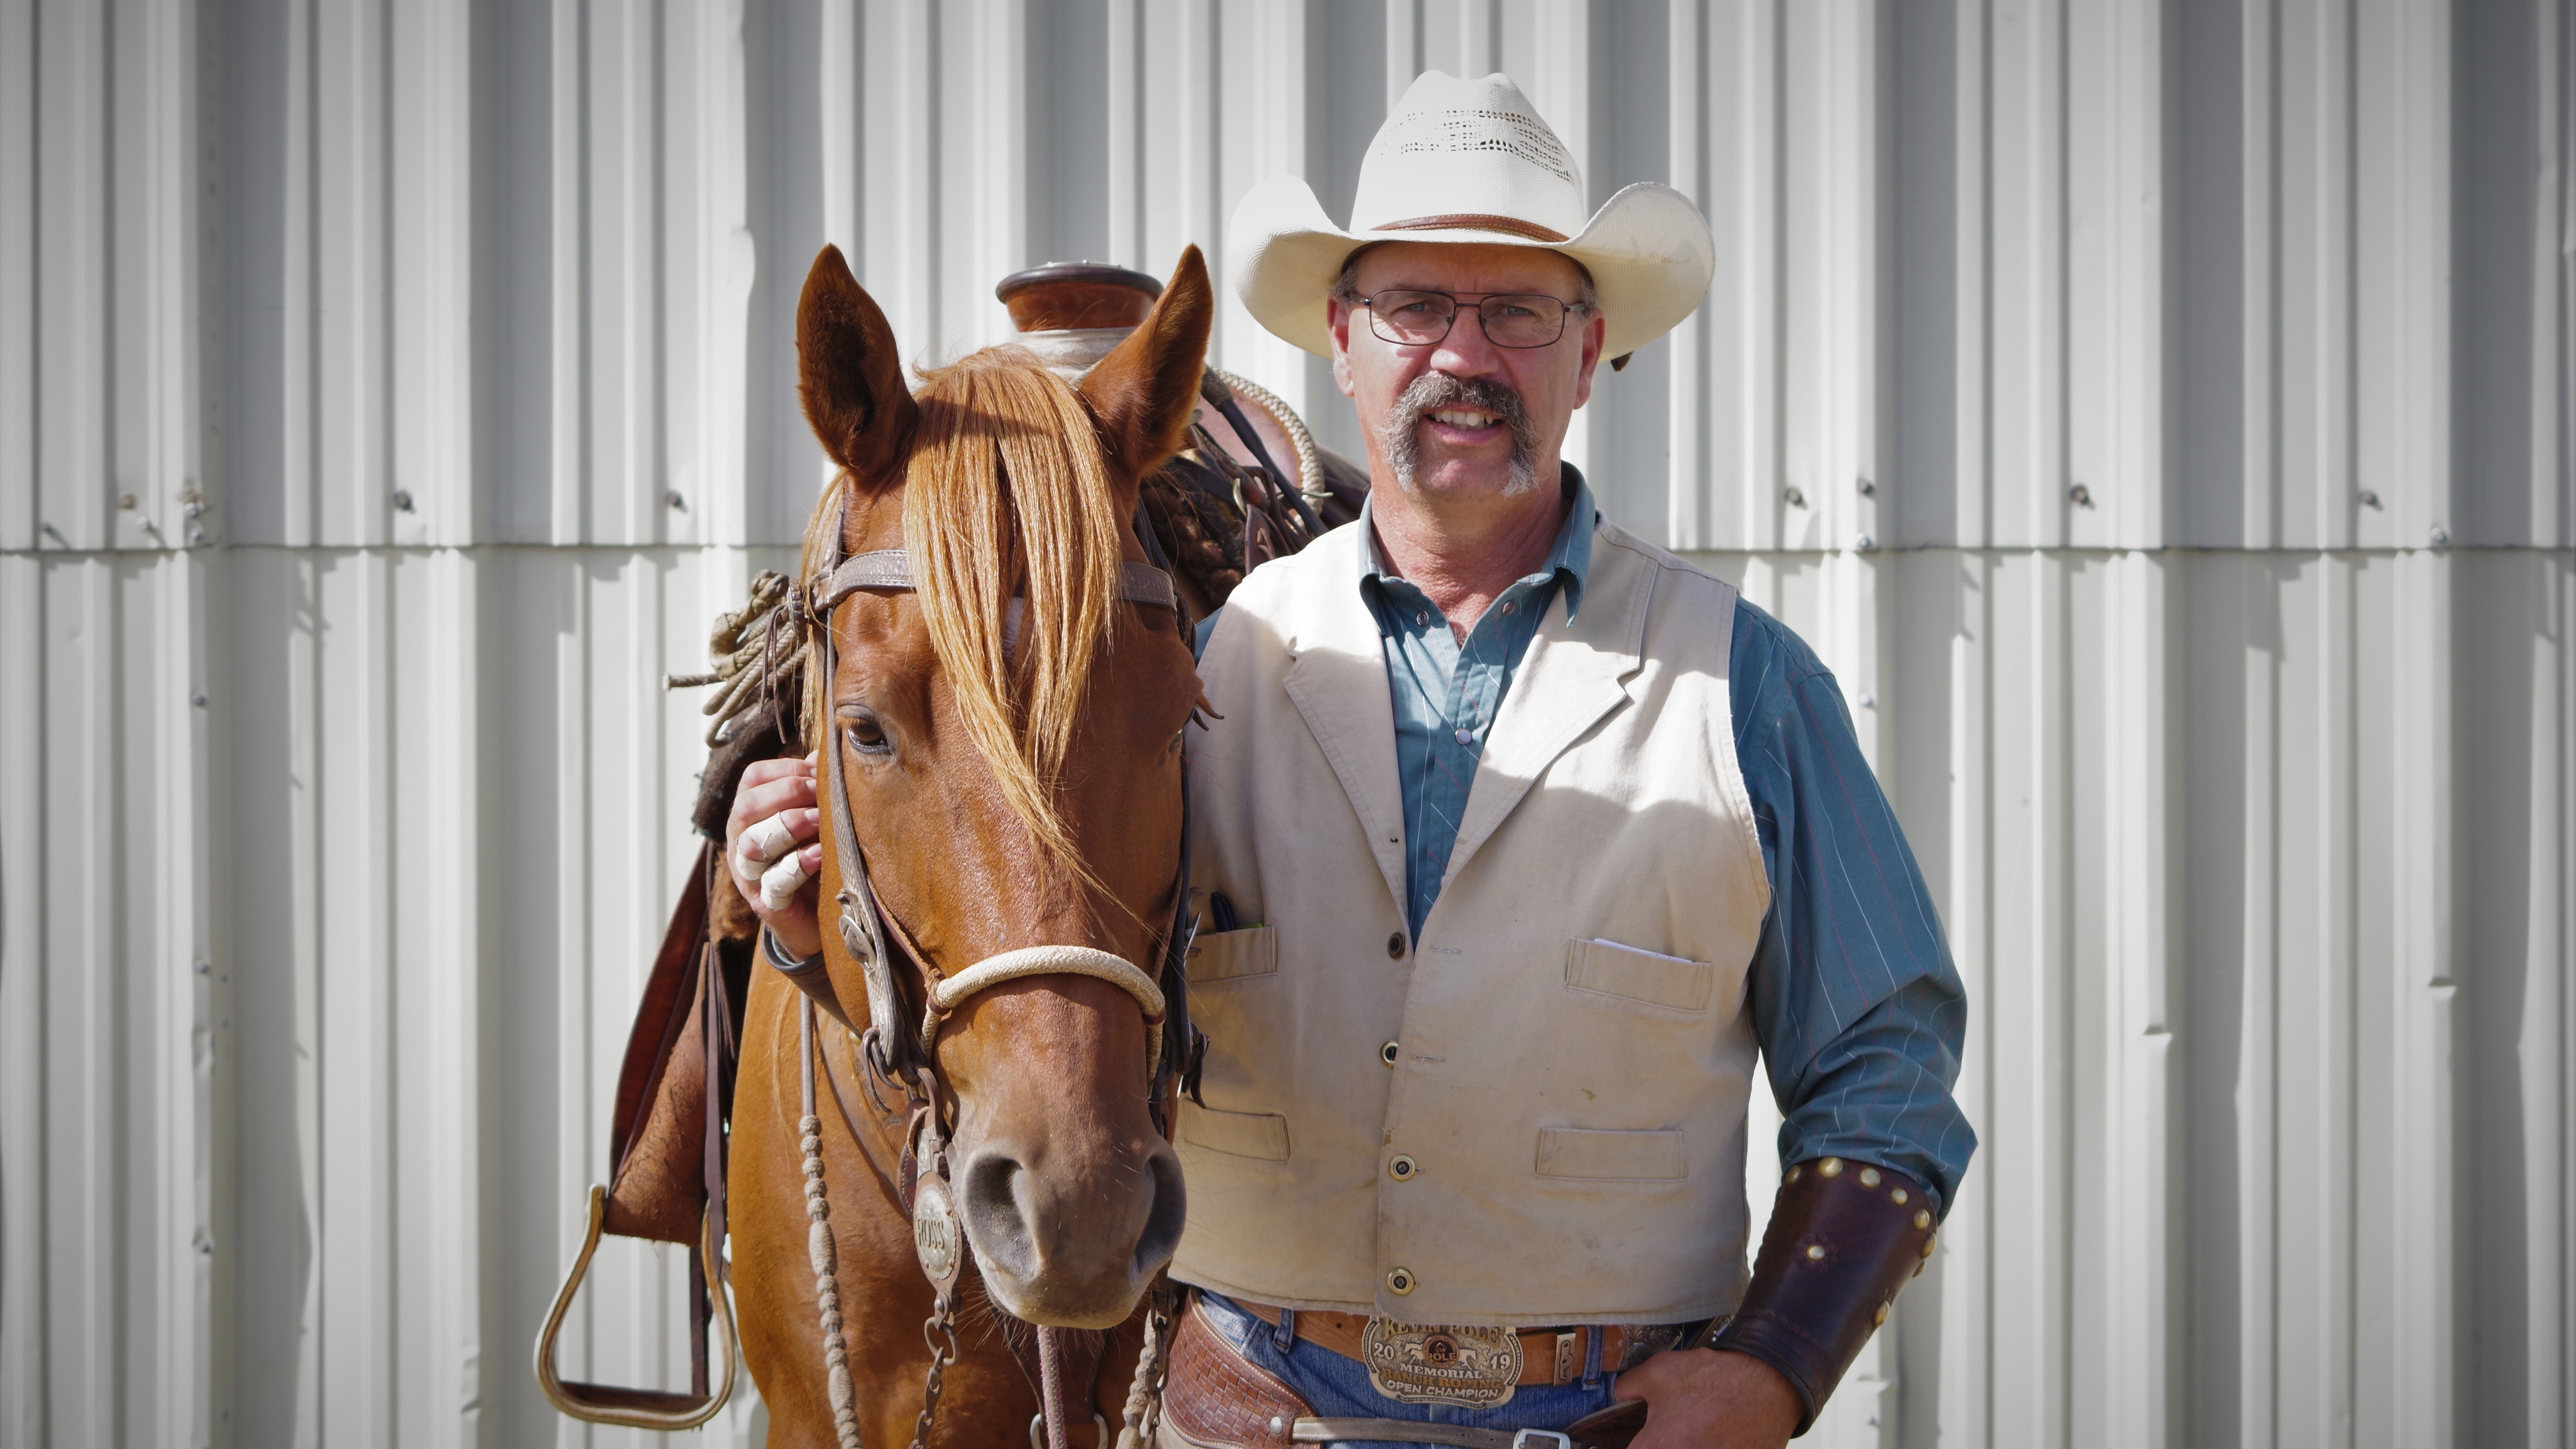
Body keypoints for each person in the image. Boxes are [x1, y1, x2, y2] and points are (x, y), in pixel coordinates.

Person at [735, 70, 1972, 1449]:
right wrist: (810, 926)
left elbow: (1890, 1070)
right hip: (1247, 1413)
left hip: (1612, 1418)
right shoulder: (1196, 673)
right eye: (1415, 307)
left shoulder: (1747, 688)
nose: (1465, 355)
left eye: (1519, 311)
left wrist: (1776, 1368)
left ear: (1589, 352)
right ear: (1343, 340)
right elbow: (1036, 954)